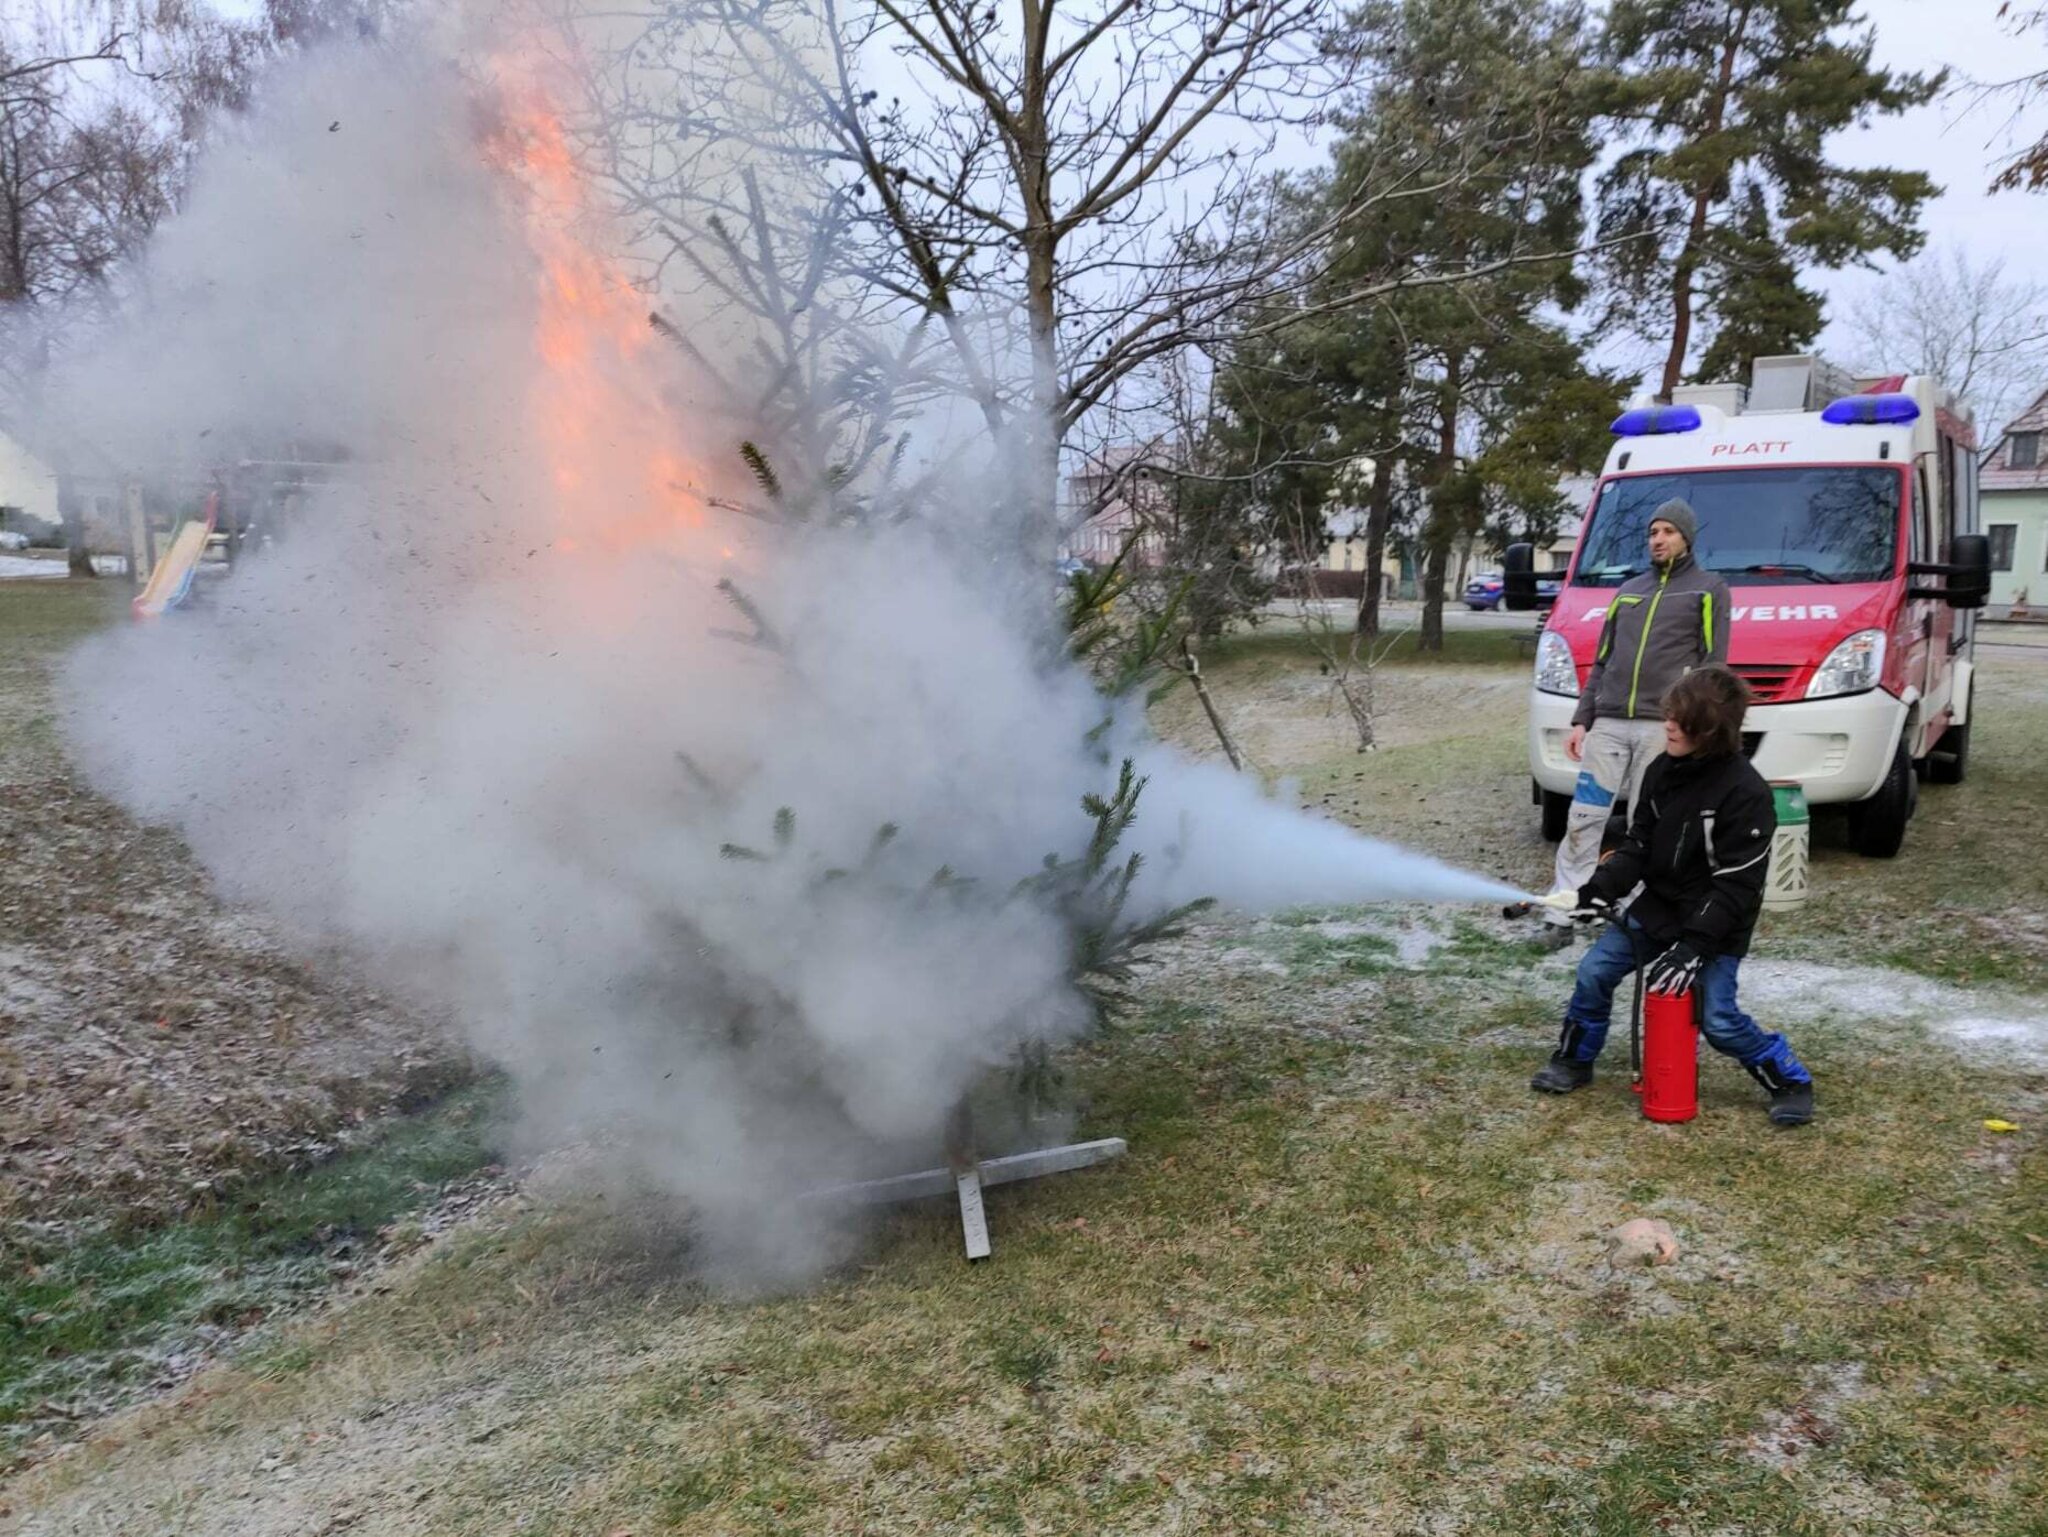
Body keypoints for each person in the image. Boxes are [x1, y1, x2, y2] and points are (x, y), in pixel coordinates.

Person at [1531, 666, 1814, 1127]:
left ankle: (1789, 1080)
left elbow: (1736, 886)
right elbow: (1639, 844)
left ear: (1711, 730)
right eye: (1669, 715)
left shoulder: (1747, 794)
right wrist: (1598, 891)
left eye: (1680, 720)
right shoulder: (1663, 770)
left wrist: (1693, 949)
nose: (1667, 725)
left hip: (1717, 926)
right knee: (1594, 972)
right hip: (1659, 908)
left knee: (1718, 1019)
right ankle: (1573, 1060)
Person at [1541, 497, 1729, 942]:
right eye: (1652, 532)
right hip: (1607, 725)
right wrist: (1582, 718)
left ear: (1687, 537)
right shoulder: (1628, 591)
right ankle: (1565, 911)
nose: (1657, 539)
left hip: (1662, 730)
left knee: (1652, 827)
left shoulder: (1709, 590)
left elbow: (1714, 666)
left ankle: (1638, 916)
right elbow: (1602, 661)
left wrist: (1697, 727)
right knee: (1583, 818)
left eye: (1667, 531)